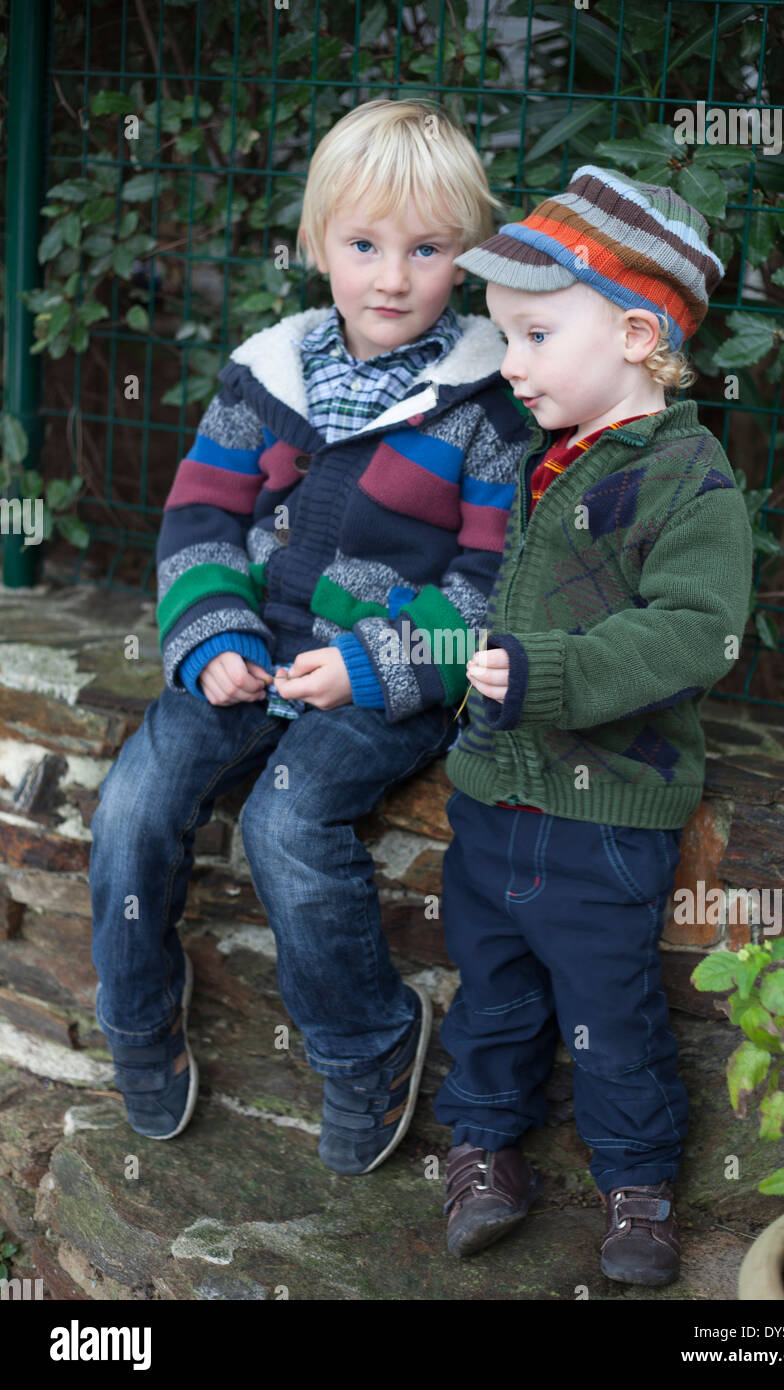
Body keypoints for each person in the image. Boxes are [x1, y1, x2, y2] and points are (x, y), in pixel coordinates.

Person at [88, 98, 532, 1177]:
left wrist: (379, 666)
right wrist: (211, 639)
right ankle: (138, 1017)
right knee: (132, 804)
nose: (392, 278)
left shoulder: (485, 405)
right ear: (314, 245)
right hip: (250, 652)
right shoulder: (266, 375)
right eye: (364, 246)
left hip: (385, 675)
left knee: (286, 825)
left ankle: (365, 1042)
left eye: (426, 251)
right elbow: (198, 516)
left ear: (463, 257)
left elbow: (491, 580)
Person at [433, 165, 754, 1285]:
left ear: (631, 332)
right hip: (493, 802)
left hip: (602, 816)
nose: (506, 363)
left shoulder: (686, 479)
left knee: (608, 1012)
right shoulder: (544, 461)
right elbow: (508, 613)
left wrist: (545, 675)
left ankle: (636, 1184)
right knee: (491, 994)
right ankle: (480, 1152)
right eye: (501, 337)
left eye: (529, 335)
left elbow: (694, 637)